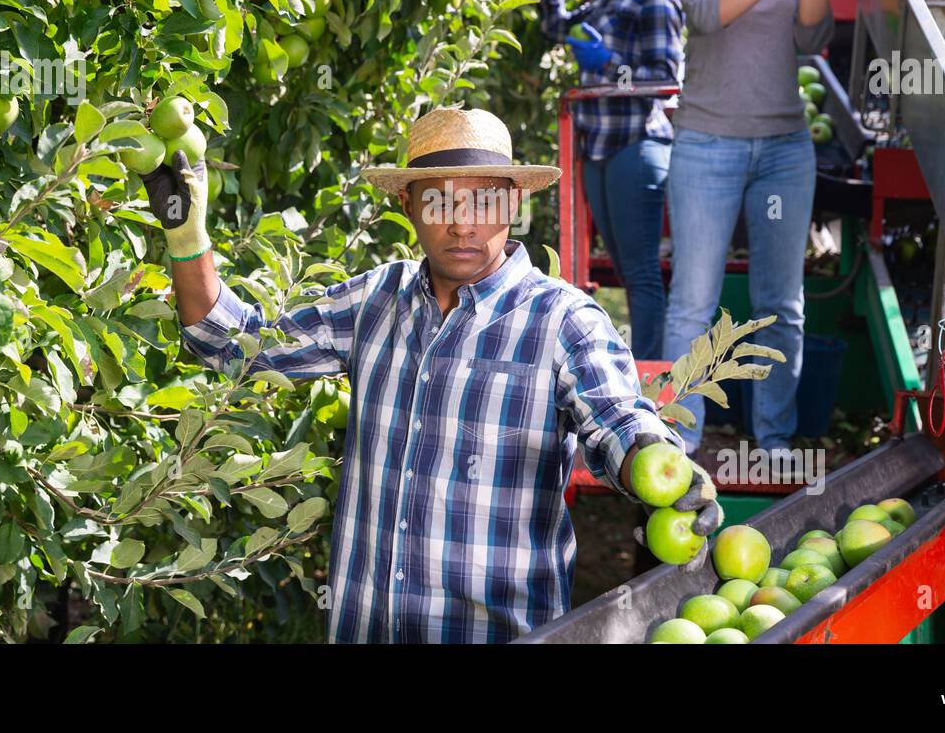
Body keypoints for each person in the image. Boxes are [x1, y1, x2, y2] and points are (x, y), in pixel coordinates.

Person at [143, 107, 720, 643]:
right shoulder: (376, 300)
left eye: (485, 202)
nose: (463, 225)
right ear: (407, 207)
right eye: (439, 202)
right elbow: (234, 347)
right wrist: (186, 232)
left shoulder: (563, 320)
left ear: (514, 204)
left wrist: (654, 460)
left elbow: (615, 418)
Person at [662, 0, 852, 459]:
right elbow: (708, 16)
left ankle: (772, 444)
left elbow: (813, 37)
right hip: (707, 144)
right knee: (694, 303)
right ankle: (680, 444)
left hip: (784, 149)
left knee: (781, 303)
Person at [537, 0, 687, 361]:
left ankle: (649, 381)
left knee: (640, 271)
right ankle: (628, 374)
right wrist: (550, 5)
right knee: (623, 267)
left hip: (634, 146)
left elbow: (665, 79)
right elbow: (565, 30)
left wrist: (607, 64)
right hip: (597, 144)